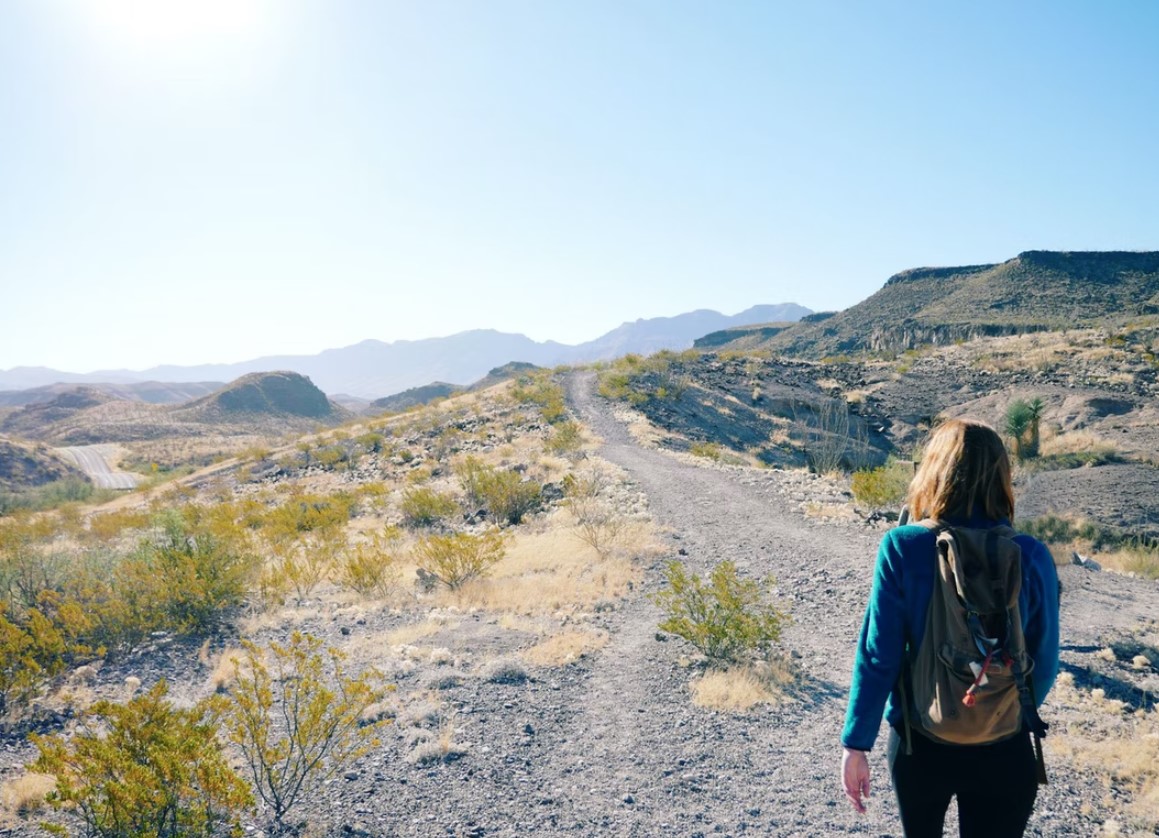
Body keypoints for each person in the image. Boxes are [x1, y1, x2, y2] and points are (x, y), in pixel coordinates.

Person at [840, 418, 1060, 837]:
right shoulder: (1031, 555)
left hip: (920, 744)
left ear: (934, 470)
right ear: (1002, 477)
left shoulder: (903, 546)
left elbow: (877, 656)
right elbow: (1045, 661)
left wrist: (857, 743)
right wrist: (1001, 710)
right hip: (1005, 749)